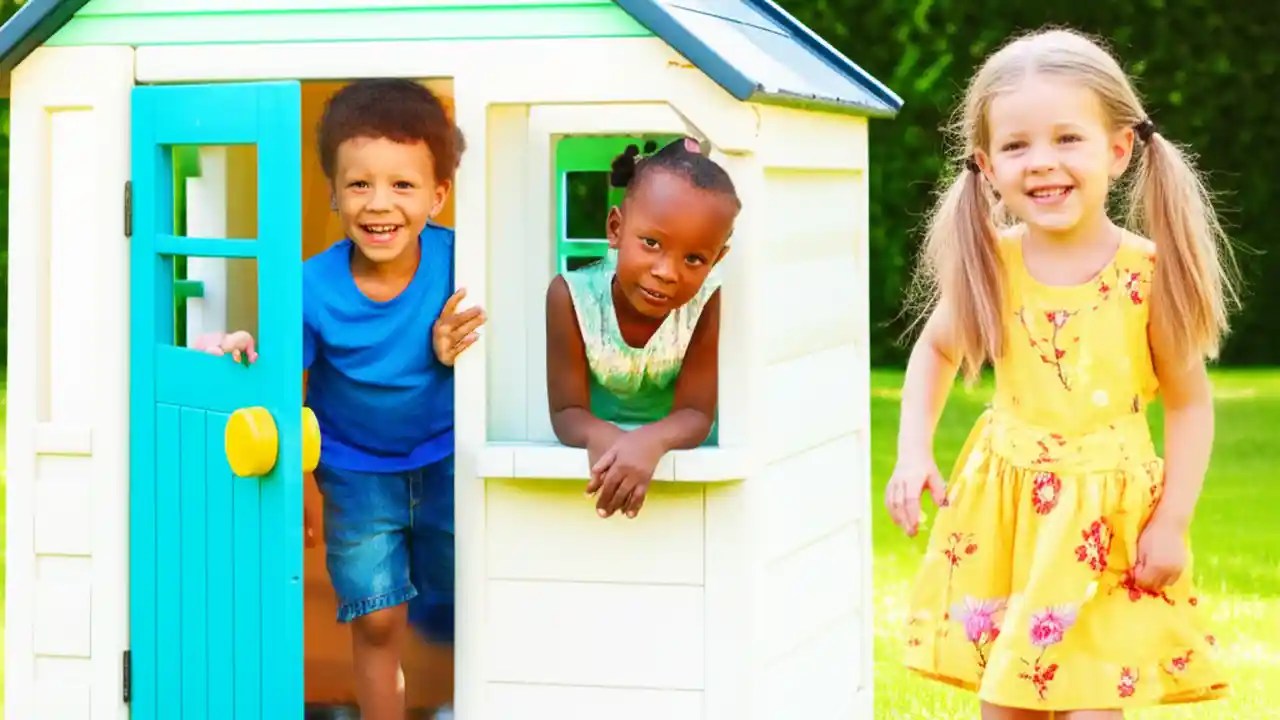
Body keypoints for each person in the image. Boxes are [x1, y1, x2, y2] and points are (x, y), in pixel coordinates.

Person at [885, 27, 1237, 718]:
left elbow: (1190, 405)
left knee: (1092, 704)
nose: (1041, 163)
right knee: (1007, 706)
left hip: (1108, 523)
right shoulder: (993, 264)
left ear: (1118, 147)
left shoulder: (1148, 277)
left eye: (1066, 139)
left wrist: (1174, 522)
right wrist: (911, 452)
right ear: (987, 167)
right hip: (1008, 513)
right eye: (1017, 146)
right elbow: (935, 350)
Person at [197, 78, 482, 720]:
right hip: (354, 471)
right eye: (359, 184)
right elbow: (277, 386)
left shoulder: (462, 260)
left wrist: (449, 349)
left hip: (445, 458)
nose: (379, 204)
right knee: (377, 619)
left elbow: (507, 338)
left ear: (438, 194)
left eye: (403, 185)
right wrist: (245, 350)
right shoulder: (311, 284)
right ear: (333, 192)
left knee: (470, 595)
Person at [545, 137, 739, 519]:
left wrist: (649, 444)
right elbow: (567, 410)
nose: (667, 272)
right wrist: (612, 443)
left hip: (679, 465)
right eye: (651, 242)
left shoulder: (706, 304)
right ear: (615, 229)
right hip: (601, 456)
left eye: (695, 258)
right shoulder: (570, 295)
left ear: (717, 259)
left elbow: (696, 413)